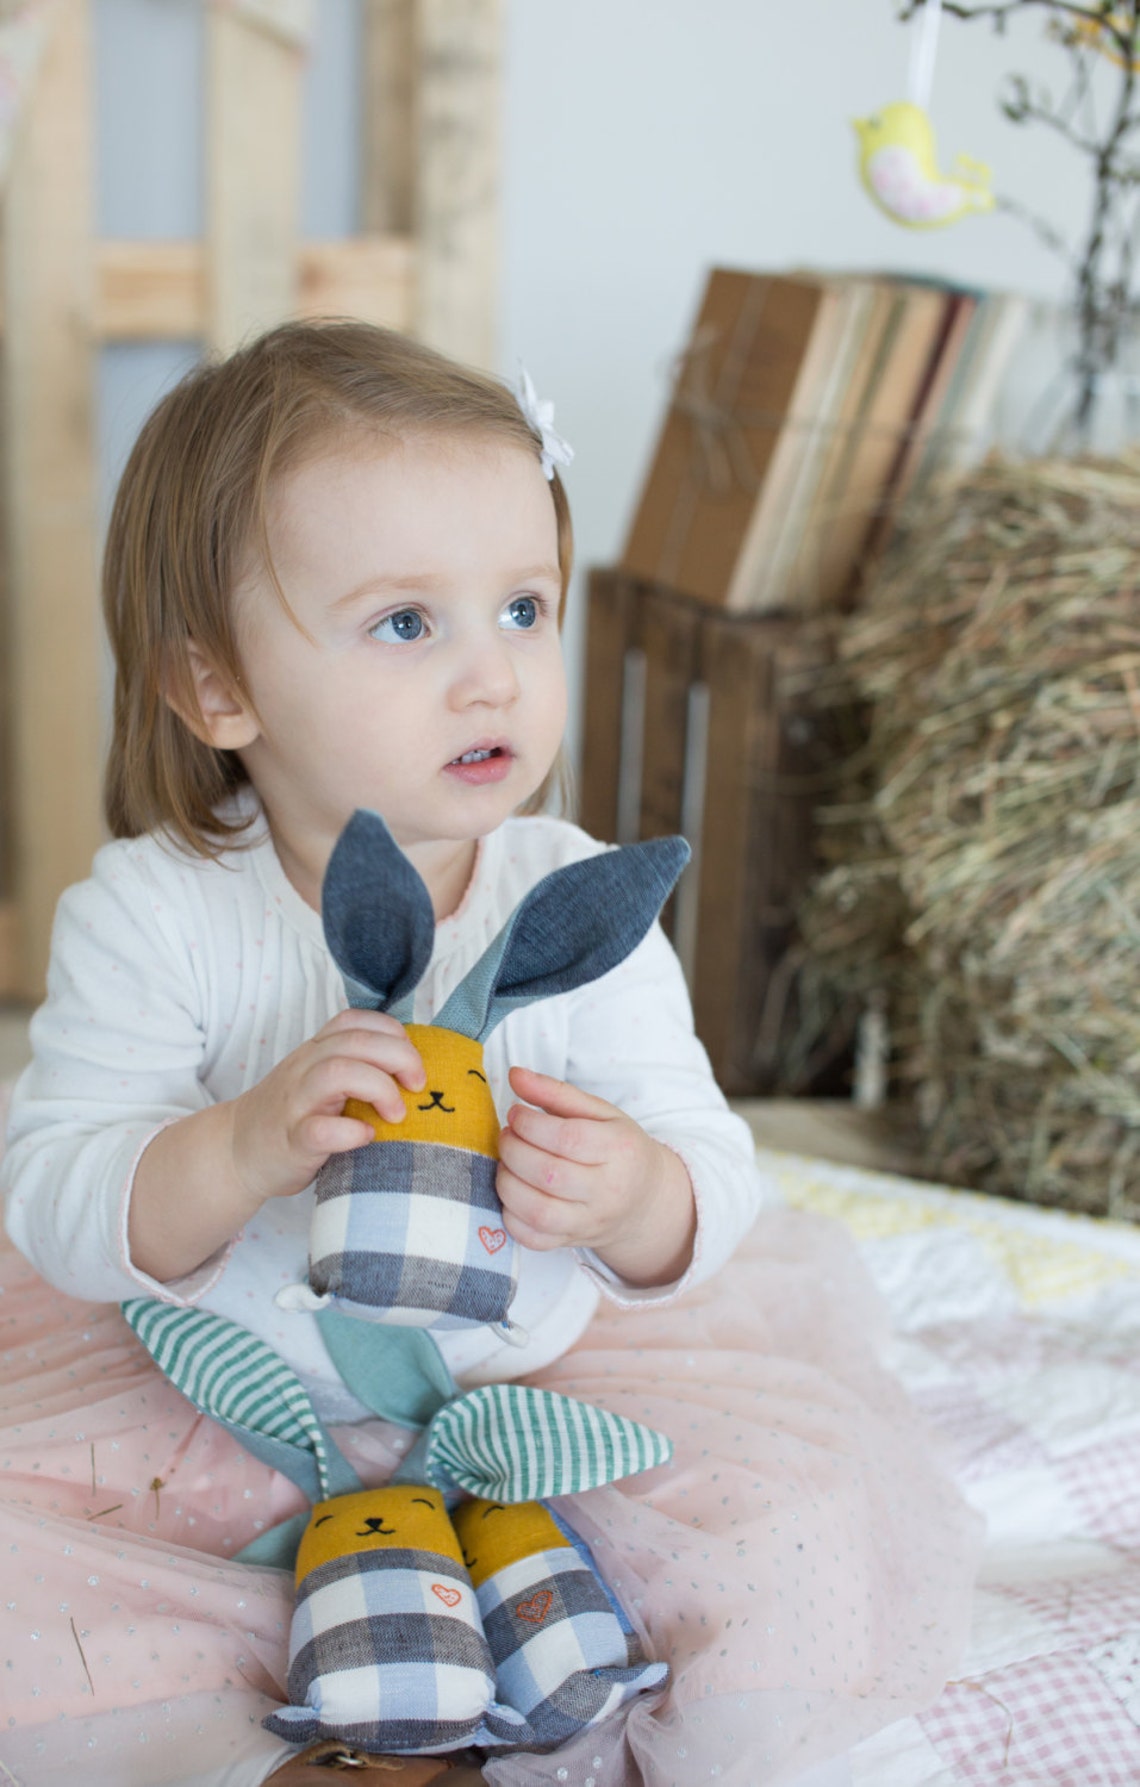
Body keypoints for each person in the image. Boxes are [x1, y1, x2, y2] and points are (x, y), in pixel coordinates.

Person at [0, 321, 979, 1787]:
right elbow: (59, 1201)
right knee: (38, 1587)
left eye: (524, 609)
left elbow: (713, 1168)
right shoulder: (153, 914)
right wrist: (239, 1147)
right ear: (218, 689)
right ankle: (294, 1744)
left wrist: (634, 1195)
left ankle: (545, 1672)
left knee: (798, 1526)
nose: (492, 678)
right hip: (214, 1404)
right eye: (408, 624)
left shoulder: (572, 900)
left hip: (541, 1377)